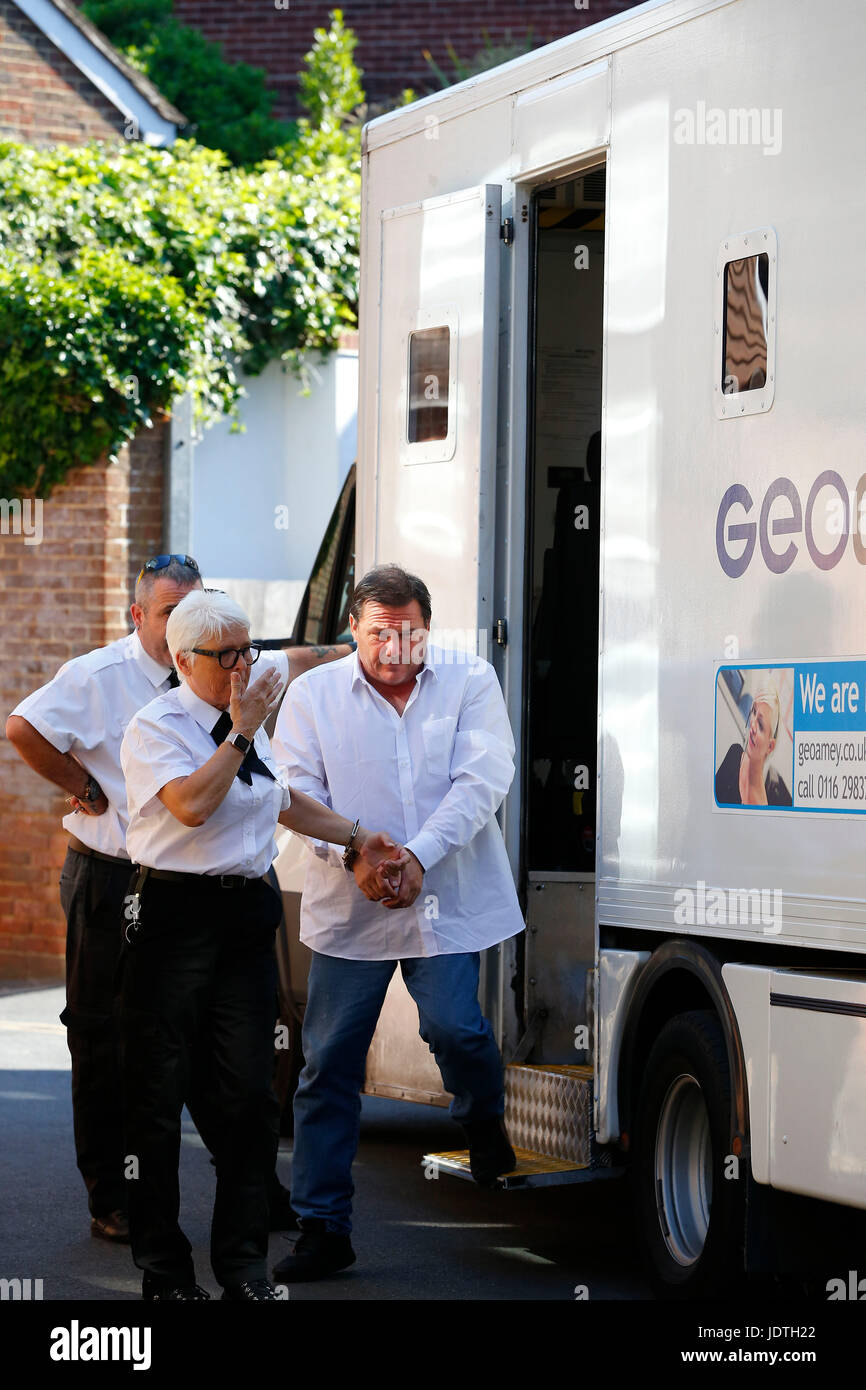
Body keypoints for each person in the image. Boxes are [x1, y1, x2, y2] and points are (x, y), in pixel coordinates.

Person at [4, 554, 343, 1243]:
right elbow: (22, 728)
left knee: (230, 1053)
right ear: (142, 617)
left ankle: (250, 1190)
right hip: (114, 875)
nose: (182, 620)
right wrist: (88, 787)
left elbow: (289, 698)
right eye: (168, 612)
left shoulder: (233, 683)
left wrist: (354, 643)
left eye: (194, 606)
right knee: (106, 1041)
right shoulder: (102, 678)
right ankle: (114, 1196)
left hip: (222, 894)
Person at [118, 589, 403, 1300]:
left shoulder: (244, 721)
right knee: (156, 1103)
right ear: (185, 660)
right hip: (171, 920)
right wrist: (241, 730)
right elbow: (190, 805)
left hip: (245, 919)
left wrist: (357, 835)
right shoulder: (158, 726)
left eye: (250, 649)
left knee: (250, 1102)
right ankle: (164, 1270)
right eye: (228, 655)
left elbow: (278, 798)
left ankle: (242, 1267)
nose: (246, 665)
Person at [271, 563, 526, 1282]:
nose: (396, 647)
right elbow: (296, 792)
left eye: (410, 632)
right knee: (328, 1067)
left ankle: (480, 1118)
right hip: (349, 905)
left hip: (446, 895)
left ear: (428, 628)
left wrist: (418, 855)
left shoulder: (470, 680)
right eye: (382, 632)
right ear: (353, 628)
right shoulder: (314, 696)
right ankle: (324, 1228)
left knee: (457, 1030)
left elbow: (486, 778)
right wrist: (354, 851)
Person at [714, 684, 792, 806]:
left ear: (770, 746)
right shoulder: (734, 755)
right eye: (754, 712)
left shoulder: (764, 804)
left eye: (760, 725)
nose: (753, 726)